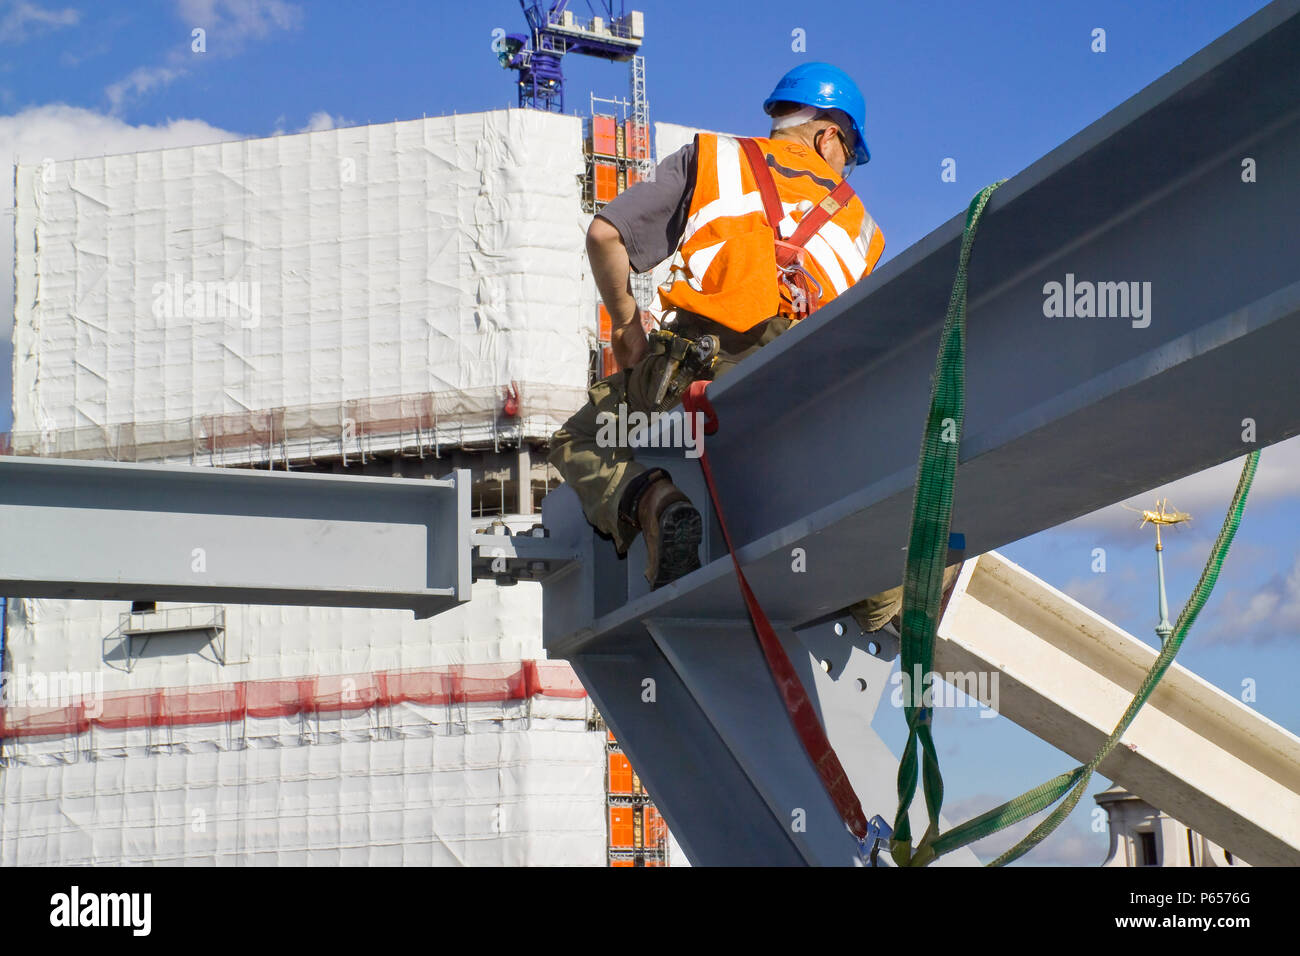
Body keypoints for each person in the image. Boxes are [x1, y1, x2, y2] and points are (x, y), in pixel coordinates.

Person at [550, 62, 935, 627]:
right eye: (849, 153)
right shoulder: (864, 229)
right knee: (825, 469)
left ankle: (655, 500)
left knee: (581, 436)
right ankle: (880, 581)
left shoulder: (712, 159)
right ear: (829, 135)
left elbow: (605, 234)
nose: (846, 169)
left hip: (698, 385)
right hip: (804, 409)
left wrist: (628, 326)